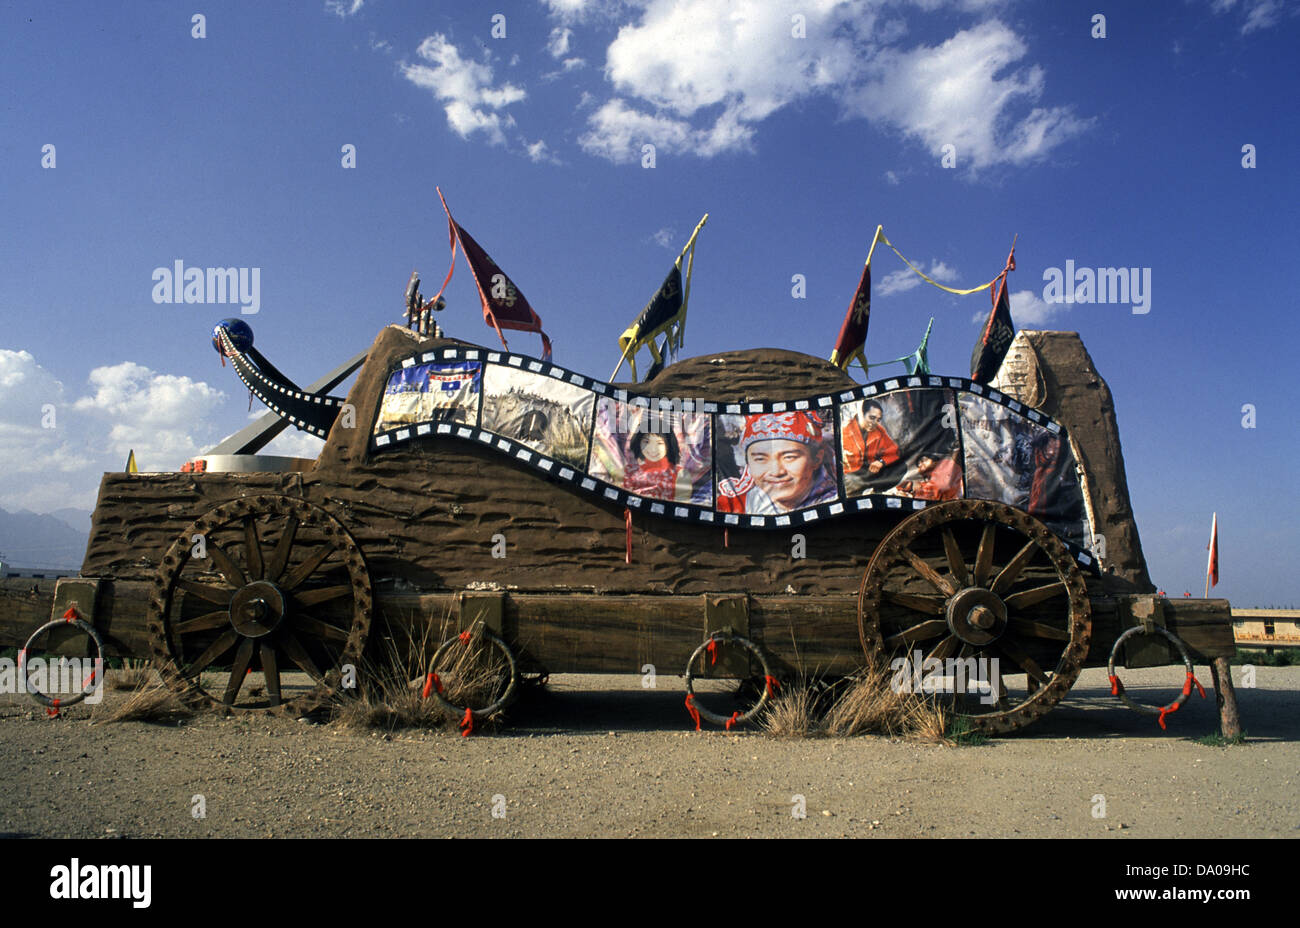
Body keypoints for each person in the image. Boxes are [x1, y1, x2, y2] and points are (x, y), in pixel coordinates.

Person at [718, 412, 837, 514]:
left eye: (789, 457)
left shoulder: (837, 505)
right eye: (760, 459)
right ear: (748, 463)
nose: (776, 472)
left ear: (816, 459)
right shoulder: (730, 507)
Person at [622, 430, 683, 501]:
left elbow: (683, 504)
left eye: (660, 443)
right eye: (647, 442)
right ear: (639, 442)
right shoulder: (629, 470)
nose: (653, 449)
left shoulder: (680, 474)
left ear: (669, 445)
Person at [892, 450, 963, 501]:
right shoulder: (927, 481)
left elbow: (940, 487)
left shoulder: (946, 465)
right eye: (918, 464)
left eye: (923, 460)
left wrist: (914, 492)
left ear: (933, 460)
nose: (920, 464)